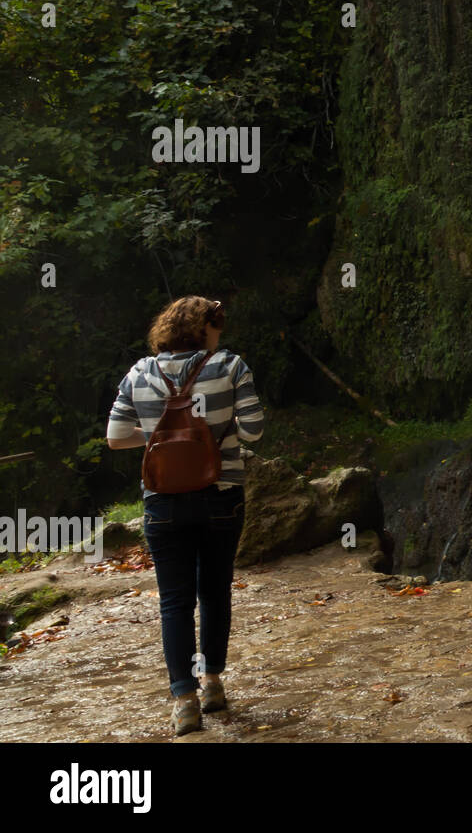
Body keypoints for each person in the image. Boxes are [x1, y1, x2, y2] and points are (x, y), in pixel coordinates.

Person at [106, 296, 264, 735]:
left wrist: (161, 433)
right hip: (221, 495)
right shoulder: (230, 366)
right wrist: (216, 429)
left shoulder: (139, 372)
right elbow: (254, 431)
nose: (220, 337)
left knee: (175, 602)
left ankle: (184, 702)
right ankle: (213, 682)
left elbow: (116, 437)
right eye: (216, 328)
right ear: (204, 329)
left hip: (163, 502)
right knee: (214, 591)